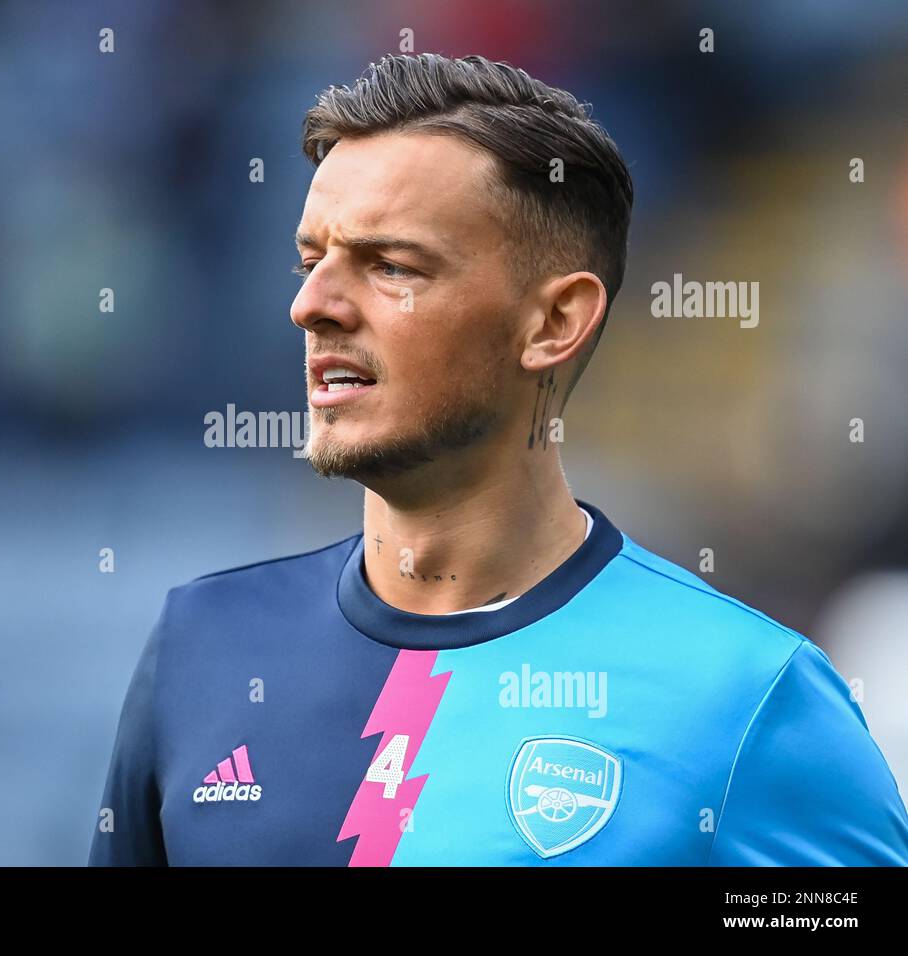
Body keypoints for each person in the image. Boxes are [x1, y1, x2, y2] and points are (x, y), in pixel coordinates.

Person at [88, 53, 908, 866]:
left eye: (391, 266)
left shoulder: (747, 695)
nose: (312, 305)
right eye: (311, 263)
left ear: (554, 323)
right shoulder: (201, 645)